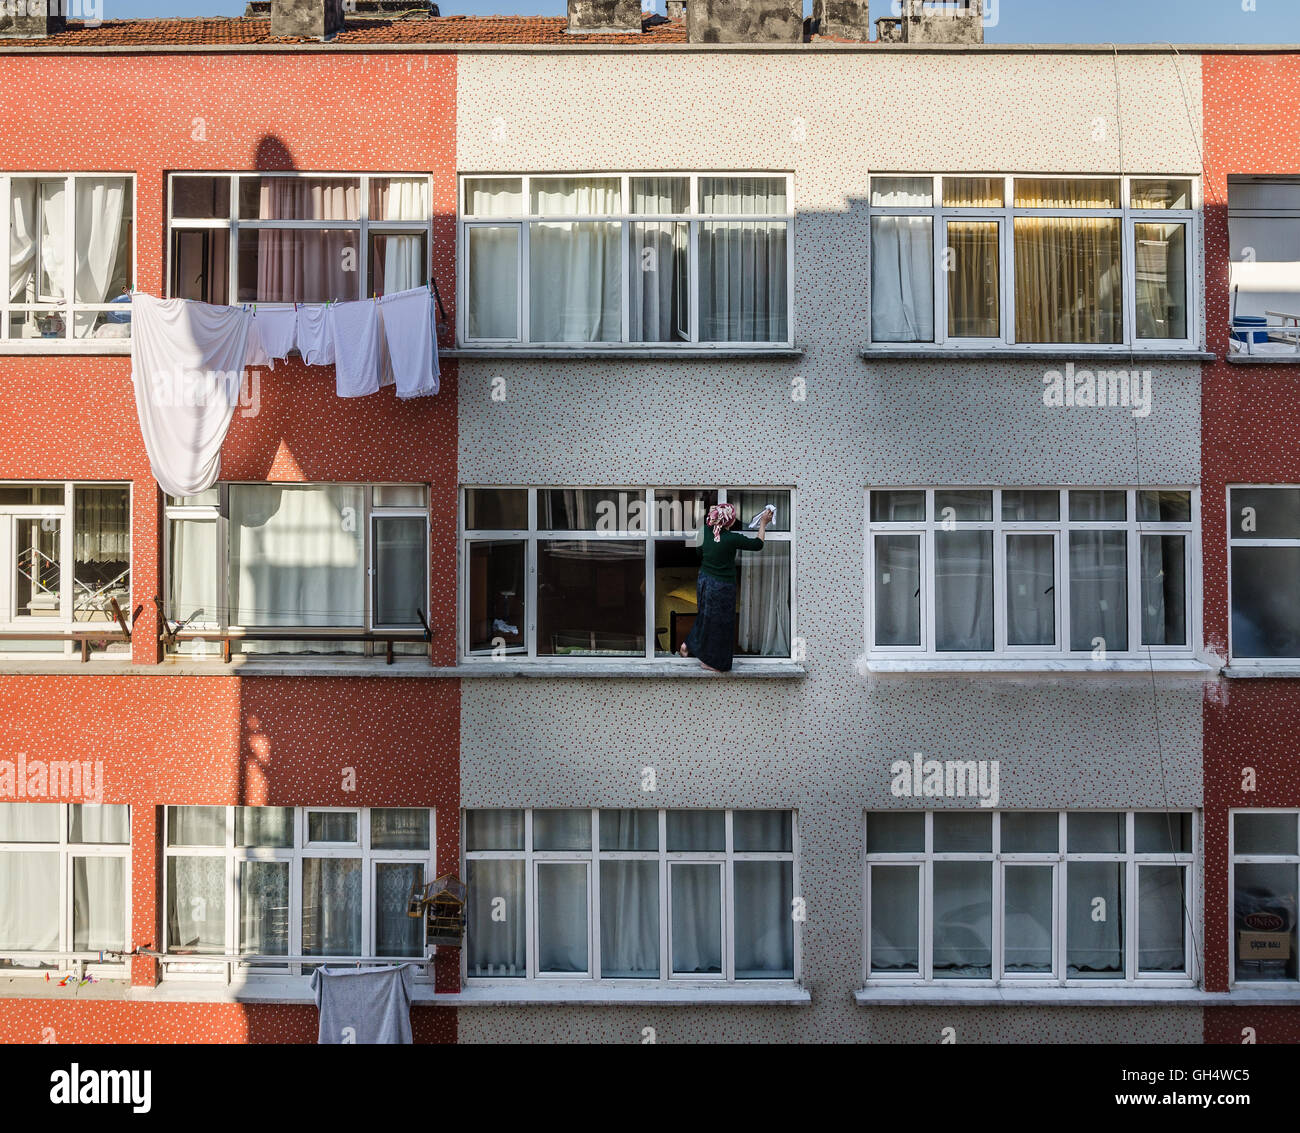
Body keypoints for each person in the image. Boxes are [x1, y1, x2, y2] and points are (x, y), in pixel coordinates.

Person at [679, 502, 770, 672]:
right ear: (729, 521)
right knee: (721, 625)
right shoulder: (731, 538)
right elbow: (758, 544)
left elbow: (699, 553)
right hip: (722, 585)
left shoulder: (703, 532)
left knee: (705, 616)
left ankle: (688, 644)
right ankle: (712, 662)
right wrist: (763, 523)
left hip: (705, 580)